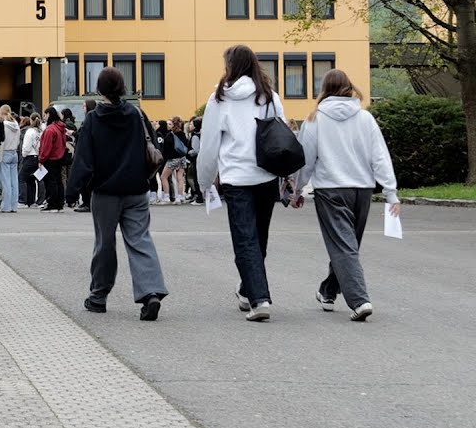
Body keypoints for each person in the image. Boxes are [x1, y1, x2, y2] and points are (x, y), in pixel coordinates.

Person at [65, 67, 168, 321]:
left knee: (105, 243)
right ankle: (150, 292)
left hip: (106, 192)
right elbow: (152, 147)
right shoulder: (135, 114)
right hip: (136, 189)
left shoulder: (93, 119)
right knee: (140, 240)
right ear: (122, 88)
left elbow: (83, 159)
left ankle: (98, 297)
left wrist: (73, 190)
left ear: (99, 89)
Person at [297, 69, 399, 321]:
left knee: (344, 246)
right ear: (348, 86)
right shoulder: (365, 118)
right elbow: (380, 156)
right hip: (362, 190)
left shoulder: (314, 119)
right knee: (347, 245)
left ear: (324, 89)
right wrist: (390, 191)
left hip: (330, 189)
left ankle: (359, 300)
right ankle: (328, 291)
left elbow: (306, 159)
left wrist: (297, 187)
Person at [197, 44, 286, 322]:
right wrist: (287, 177)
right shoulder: (269, 96)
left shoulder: (220, 98)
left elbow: (209, 145)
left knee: (245, 239)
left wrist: (204, 182)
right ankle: (248, 291)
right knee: (259, 239)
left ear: (230, 67)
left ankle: (259, 300)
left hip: (236, 178)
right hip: (267, 175)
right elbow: (283, 137)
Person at [38, 107, 68, 211]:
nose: (43, 117)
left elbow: (46, 147)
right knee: (58, 181)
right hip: (59, 157)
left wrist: (41, 159)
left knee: (51, 182)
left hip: (50, 158)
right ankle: (59, 203)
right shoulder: (60, 128)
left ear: (49, 115)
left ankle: (52, 203)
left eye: (45, 115)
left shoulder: (50, 129)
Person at [73, 99, 99, 213]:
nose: (82, 108)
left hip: (87, 155)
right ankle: (88, 202)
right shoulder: (94, 119)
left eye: (84, 106)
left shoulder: (89, 119)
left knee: (86, 180)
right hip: (92, 155)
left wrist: (74, 134)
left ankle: (87, 202)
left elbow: (84, 135)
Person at [159, 117, 191, 204]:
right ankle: (180, 197)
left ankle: (166, 197)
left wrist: (165, 159)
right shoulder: (182, 134)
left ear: (173, 124)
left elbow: (166, 150)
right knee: (180, 178)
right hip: (182, 158)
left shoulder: (170, 135)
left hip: (172, 159)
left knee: (163, 177)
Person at [0, 104, 20, 212]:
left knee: (5, 181)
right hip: (14, 153)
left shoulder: (4, 125)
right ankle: (14, 206)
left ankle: (6, 206)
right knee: (14, 181)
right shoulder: (16, 124)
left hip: (5, 152)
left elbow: (2, 141)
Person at [18, 114, 43, 208]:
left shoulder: (29, 131)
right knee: (35, 179)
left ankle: (22, 200)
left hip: (29, 156)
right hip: (38, 157)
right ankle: (34, 200)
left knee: (22, 178)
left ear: (31, 121)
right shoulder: (40, 131)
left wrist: (23, 154)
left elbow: (26, 146)